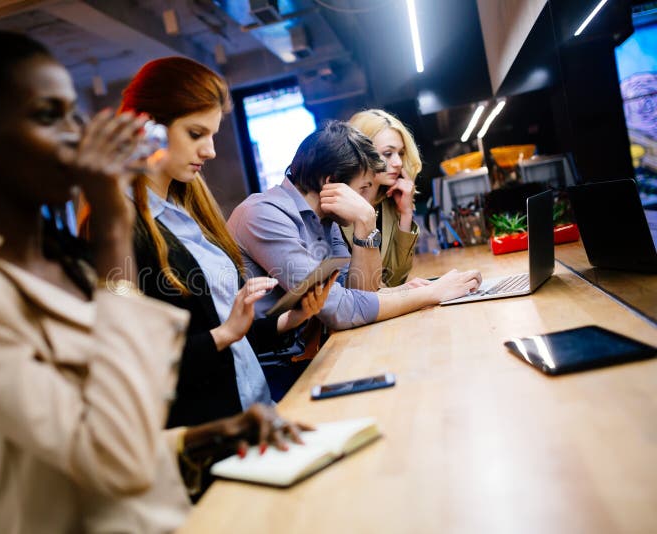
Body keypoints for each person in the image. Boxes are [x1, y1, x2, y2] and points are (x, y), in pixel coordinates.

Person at [0, 27, 305, 533]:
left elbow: (140, 408)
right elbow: (103, 449)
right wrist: (114, 227)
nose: (75, 134)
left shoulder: (68, 261)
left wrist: (216, 434)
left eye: (73, 113)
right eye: (47, 115)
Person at [117, 56, 335, 425]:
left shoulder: (185, 210)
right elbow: (142, 363)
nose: (211, 150)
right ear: (149, 128)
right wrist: (225, 333)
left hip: (255, 410)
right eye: (196, 134)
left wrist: (294, 317)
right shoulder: (123, 228)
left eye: (213, 135)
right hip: (208, 432)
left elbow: (230, 330)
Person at [228, 121, 482, 333]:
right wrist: (433, 293)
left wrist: (367, 230)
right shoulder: (262, 215)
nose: (366, 199)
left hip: (312, 352)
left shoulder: (327, 217)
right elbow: (339, 312)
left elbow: (360, 293)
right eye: (362, 189)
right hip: (279, 369)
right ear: (332, 182)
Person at [346, 109, 427, 288]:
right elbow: (353, 291)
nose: (398, 162)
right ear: (359, 153)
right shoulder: (338, 208)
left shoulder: (387, 203)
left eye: (401, 153)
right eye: (388, 154)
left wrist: (405, 213)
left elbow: (395, 279)